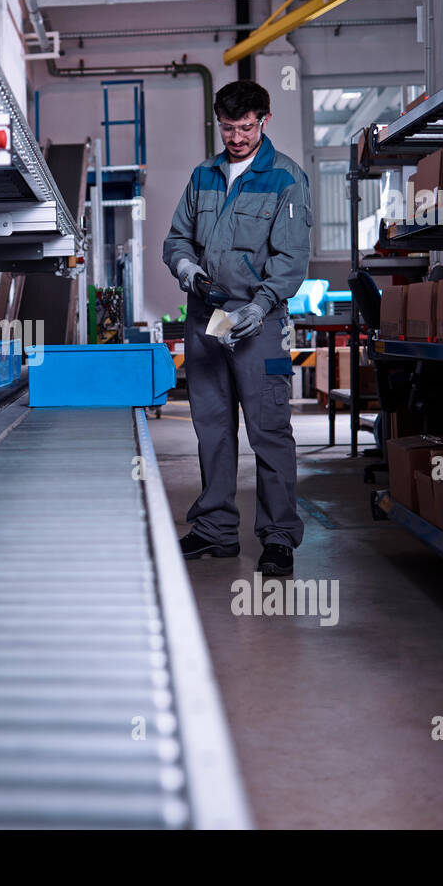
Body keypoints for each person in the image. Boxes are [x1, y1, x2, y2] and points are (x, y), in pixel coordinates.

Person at [162, 80, 312, 576]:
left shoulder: (286, 178)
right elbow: (177, 239)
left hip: (259, 324)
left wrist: (262, 305)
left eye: (246, 127)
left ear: (264, 120)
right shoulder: (204, 175)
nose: (236, 137)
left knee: (269, 431)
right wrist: (187, 271)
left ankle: (277, 538)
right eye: (228, 128)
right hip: (206, 319)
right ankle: (215, 531)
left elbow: (291, 260)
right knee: (212, 429)